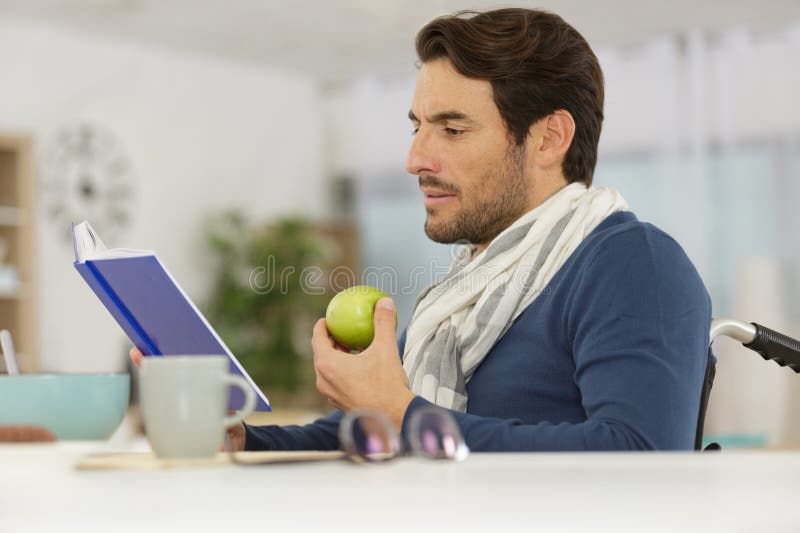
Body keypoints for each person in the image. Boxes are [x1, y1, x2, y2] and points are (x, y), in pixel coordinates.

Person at [132, 8, 711, 452]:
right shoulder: (471, 287)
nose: (415, 159)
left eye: (452, 130)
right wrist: (241, 440)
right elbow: (360, 430)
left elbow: (641, 456)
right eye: (418, 127)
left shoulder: (631, 263)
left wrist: (404, 414)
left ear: (548, 138)